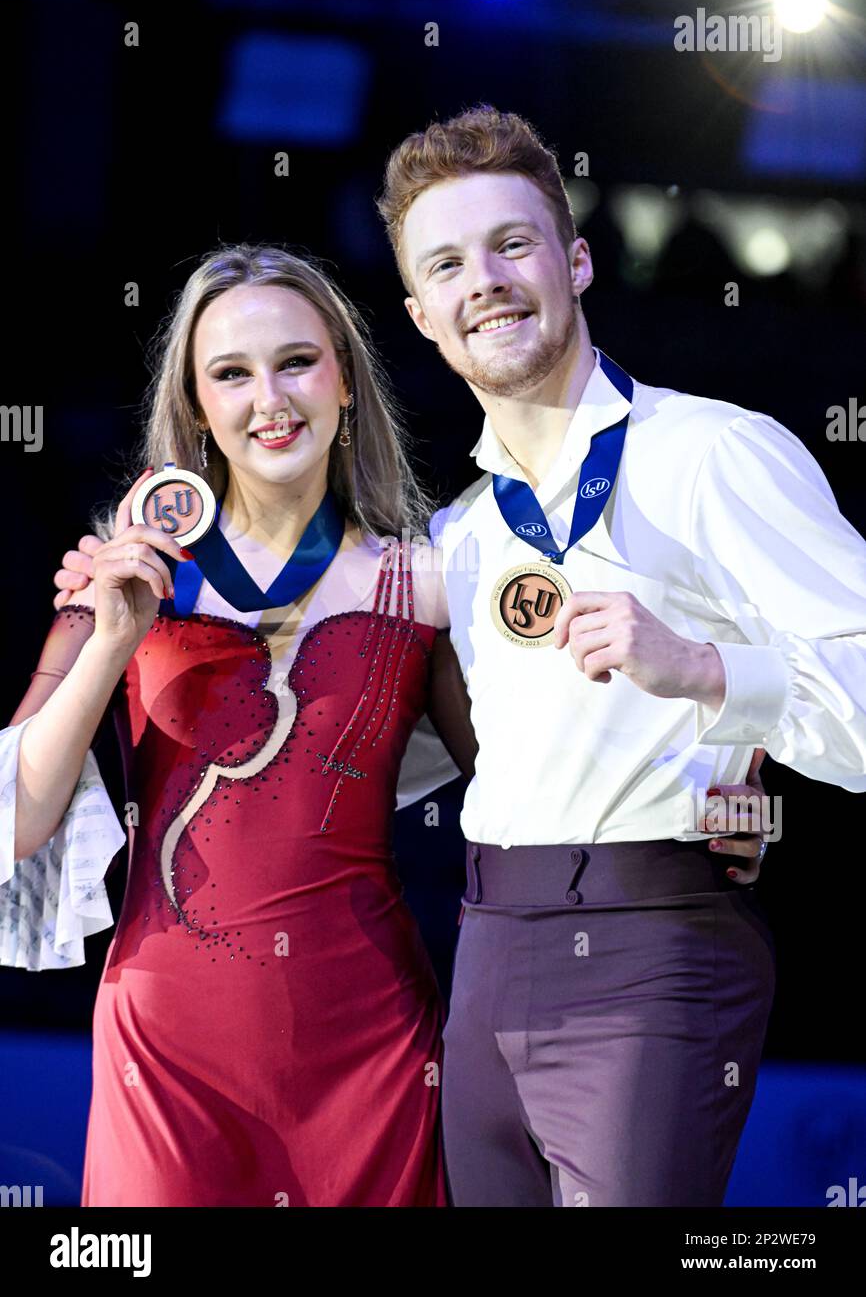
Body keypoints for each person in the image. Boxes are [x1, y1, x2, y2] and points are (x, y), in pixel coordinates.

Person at [374, 105, 866, 1207]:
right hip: (486, 947)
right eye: (447, 263)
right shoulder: (457, 537)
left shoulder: (712, 454)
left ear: (576, 259)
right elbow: (384, 760)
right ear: (422, 317)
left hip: (652, 947)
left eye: (511, 244)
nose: (484, 280)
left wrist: (704, 670)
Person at [0, 243, 475, 1207]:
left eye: (297, 361)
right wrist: (109, 638)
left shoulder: (426, 581)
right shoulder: (129, 572)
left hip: (371, 1050)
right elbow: (16, 822)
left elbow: (522, 789)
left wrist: (708, 784)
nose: (271, 398)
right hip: (164, 1048)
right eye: (232, 373)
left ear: (345, 379)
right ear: (199, 405)